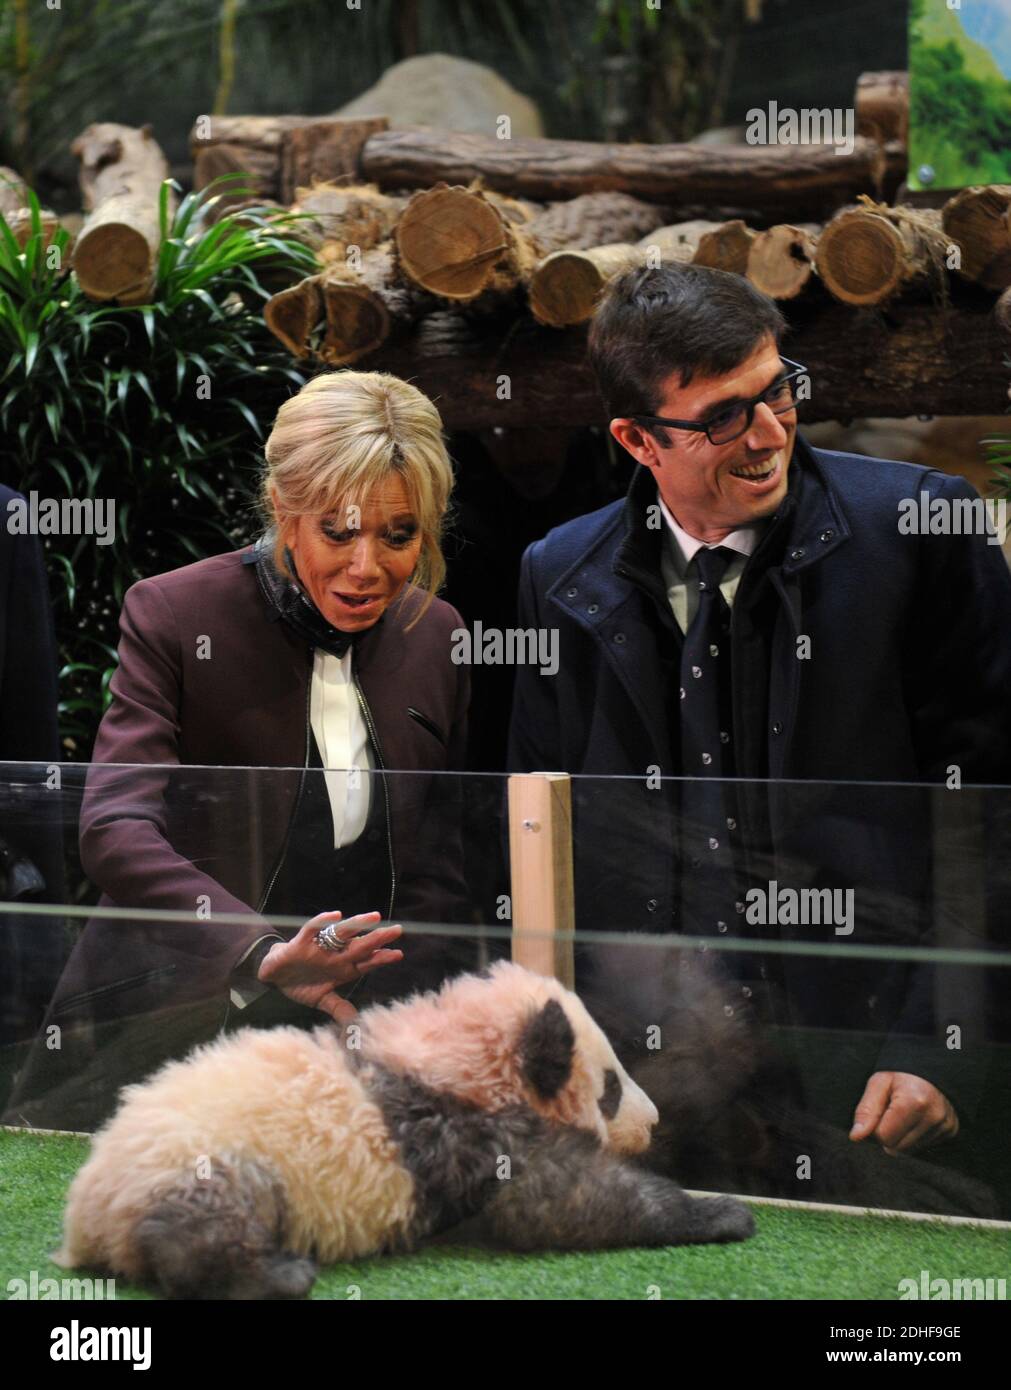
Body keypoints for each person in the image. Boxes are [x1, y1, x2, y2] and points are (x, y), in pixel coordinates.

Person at [507, 264, 1011, 1183]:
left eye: (777, 389)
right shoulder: (557, 571)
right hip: (656, 1086)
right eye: (722, 417)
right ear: (634, 438)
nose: (770, 431)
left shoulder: (920, 527)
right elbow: (545, 837)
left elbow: (988, 813)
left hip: (869, 1065)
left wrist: (942, 1043)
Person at [7, 371, 472, 1130]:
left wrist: (393, 1023)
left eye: (398, 535)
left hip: (350, 1044)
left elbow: (436, 869)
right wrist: (259, 952)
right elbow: (114, 830)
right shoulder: (172, 611)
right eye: (338, 530)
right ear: (283, 511)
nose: (367, 567)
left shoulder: (439, 635)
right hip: (158, 1034)